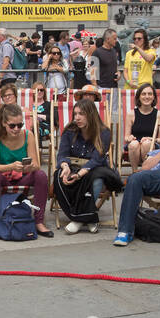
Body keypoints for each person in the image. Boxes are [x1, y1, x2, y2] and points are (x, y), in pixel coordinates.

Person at [0, 102, 53, 239]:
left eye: (20, 125)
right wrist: (11, 167)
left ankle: (39, 222)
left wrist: (29, 167)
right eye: (12, 125)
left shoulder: (28, 135)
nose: (16, 129)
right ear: (3, 123)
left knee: (41, 175)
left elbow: (36, 165)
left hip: (23, 176)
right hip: (5, 179)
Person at [54, 97, 115, 234]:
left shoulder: (103, 132)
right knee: (58, 175)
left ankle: (79, 220)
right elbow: (62, 154)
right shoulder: (70, 130)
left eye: (81, 114)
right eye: (75, 114)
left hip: (94, 167)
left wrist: (81, 173)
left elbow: (96, 159)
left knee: (95, 178)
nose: (77, 118)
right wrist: (65, 166)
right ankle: (90, 217)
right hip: (73, 165)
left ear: (91, 115)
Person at [123, 83, 160, 170]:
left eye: (150, 94)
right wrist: (130, 138)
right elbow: (126, 137)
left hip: (151, 145)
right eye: (143, 94)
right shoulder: (131, 114)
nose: (147, 97)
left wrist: (150, 139)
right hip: (134, 145)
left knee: (146, 143)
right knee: (133, 144)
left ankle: (145, 172)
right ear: (139, 97)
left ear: (154, 97)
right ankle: (135, 172)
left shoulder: (159, 115)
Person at [122, 29, 156, 93]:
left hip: (145, 88)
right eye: (134, 39)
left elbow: (148, 59)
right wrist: (129, 81)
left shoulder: (150, 51)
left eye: (139, 38)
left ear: (145, 40)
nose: (136, 40)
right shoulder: (129, 53)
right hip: (130, 87)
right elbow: (125, 71)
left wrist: (137, 48)